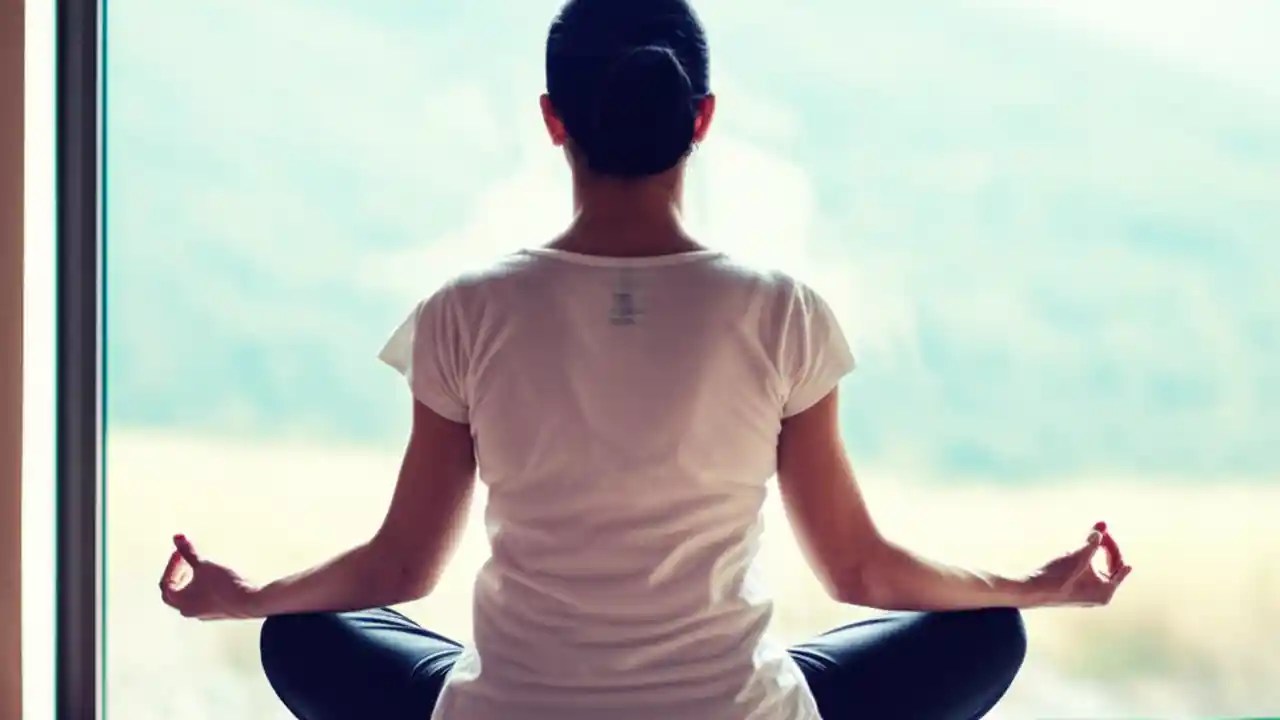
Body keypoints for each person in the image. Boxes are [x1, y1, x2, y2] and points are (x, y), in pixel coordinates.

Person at [158, 1, 1133, 718]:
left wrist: (241, 598)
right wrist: (1037, 586)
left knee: (301, 633)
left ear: (551, 119)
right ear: (700, 120)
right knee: (982, 628)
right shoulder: (780, 312)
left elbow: (402, 566)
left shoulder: (465, 311)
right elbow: (859, 571)